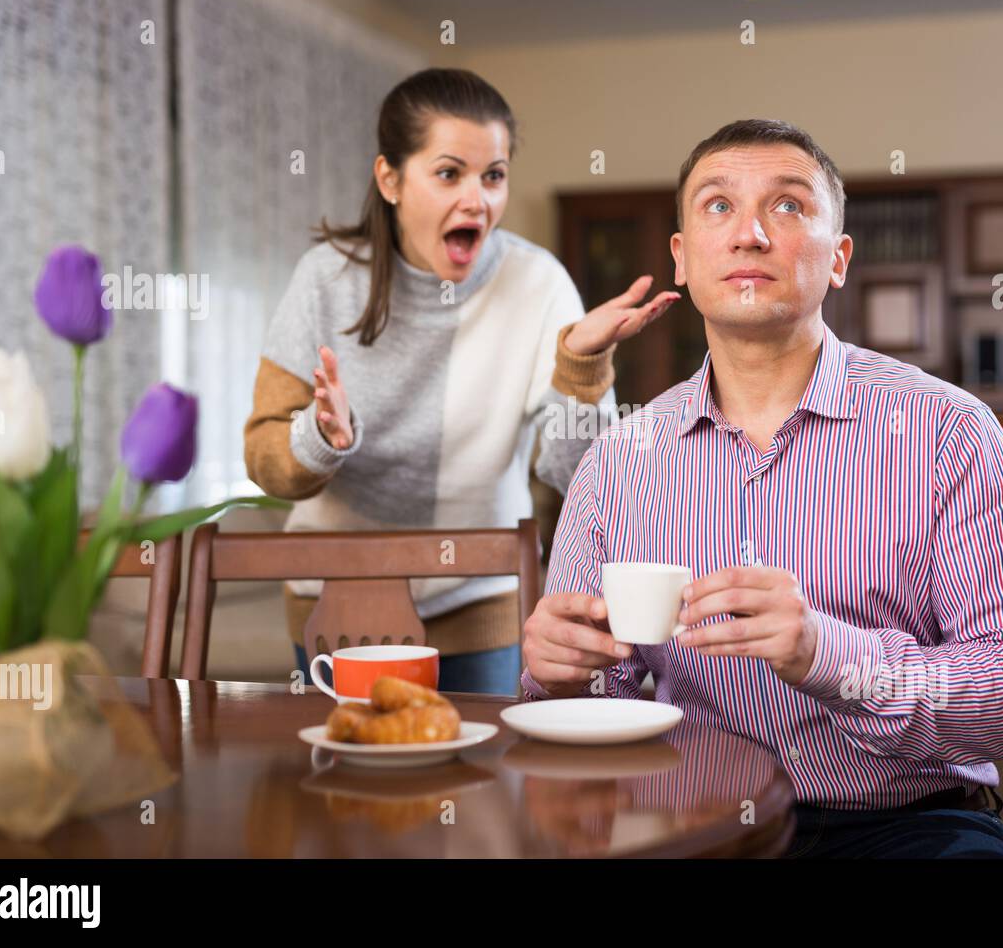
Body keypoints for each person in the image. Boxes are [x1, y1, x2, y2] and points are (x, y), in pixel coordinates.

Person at [518, 119, 1003, 858]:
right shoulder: (620, 459)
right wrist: (555, 679)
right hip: (688, 823)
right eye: (717, 206)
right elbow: (595, 707)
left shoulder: (948, 433)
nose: (748, 234)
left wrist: (827, 656)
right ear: (682, 259)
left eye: (787, 206)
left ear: (838, 258)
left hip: (908, 825)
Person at [244, 68, 679, 695]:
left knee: (480, 793)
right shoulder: (324, 279)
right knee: (344, 786)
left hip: (481, 608)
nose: (478, 200)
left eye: (493, 176)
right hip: (332, 611)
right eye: (450, 173)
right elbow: (265, 459)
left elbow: (581, 476)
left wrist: (581, 369)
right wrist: (319, 436)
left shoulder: (538, 284)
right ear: (390, 179)